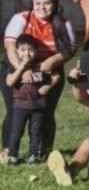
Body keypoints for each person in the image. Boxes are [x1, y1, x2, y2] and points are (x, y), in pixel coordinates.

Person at [2, 0, 75, 156]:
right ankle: (8, 149)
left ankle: (43, 149)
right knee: (14, 109)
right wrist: (23, 69)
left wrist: (51, 61)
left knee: (45, 111)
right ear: (33, 5)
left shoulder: (64, 23)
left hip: (49, 71)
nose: (42, 7)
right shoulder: (21, 18)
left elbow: (70, 49)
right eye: (38, 3)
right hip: (17, 68)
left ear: (54, 5)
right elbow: (10, 47)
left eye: (47, 3)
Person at [4, 35, 61, 164]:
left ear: (36, 52)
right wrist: (21, 68)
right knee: (16, 131)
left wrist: (47, 86)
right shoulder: (14, 66)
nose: (26, 53)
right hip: (20, 106)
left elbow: (56, 76)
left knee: (35, 132)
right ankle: (13, 155)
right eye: (23, 50)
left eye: (30, 50)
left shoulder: (40, 66)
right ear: (17, 51)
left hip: (38, 106)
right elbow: (9, 81)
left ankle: (33, 155)